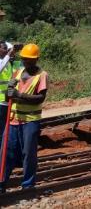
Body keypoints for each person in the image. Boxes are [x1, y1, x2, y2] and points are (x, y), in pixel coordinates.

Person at [1, 44, 48, 191]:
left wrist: (19, 95)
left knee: (28, 153)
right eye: (24, 59)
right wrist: (8, 93)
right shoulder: (18, 71)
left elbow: (40, 98)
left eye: (29, 60)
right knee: (5, 151)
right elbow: (9, 94)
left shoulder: (42, 75)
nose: (26, 62)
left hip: (30, 120)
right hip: (13, 118)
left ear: (36, 59)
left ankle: (28, 184)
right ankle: (1, 182)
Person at [0, 42, 19, 146]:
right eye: (6, 49)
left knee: (9, 130)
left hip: (12, 102)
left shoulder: (13, 63)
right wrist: (8, 56)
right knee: (1, 131)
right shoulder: (2, 63)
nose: (9, 52)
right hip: (1, 102)